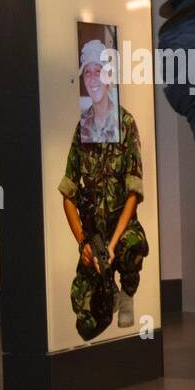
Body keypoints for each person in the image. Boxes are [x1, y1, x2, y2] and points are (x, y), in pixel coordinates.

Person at [60, 44, 149, 341]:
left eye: (99, 71)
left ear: (109, 77)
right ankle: (105, 294)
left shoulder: (126, 124)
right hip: (92, 235)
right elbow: (68, 193)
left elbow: (134, 194)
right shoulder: (82, 127)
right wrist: (83, 243)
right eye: (89, 72)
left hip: (120, 229)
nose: (94, 78)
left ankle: (127, 291)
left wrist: (111, 246)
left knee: (132, 248)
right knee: (86, 326)